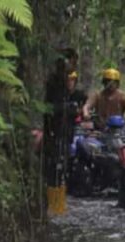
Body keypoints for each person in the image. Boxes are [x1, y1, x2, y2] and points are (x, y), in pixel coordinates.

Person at [43, 68, 87, 215]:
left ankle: (60, 207)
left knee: (63, 170)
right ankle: (53, 206)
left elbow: (86, 110)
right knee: (54, 170)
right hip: (54, 137)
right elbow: (49, 111)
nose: (70, 83)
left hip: (67, 138)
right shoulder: (56, 95)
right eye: (68, 80)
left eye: (73, 80)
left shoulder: (79, 95)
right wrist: (68, 108)